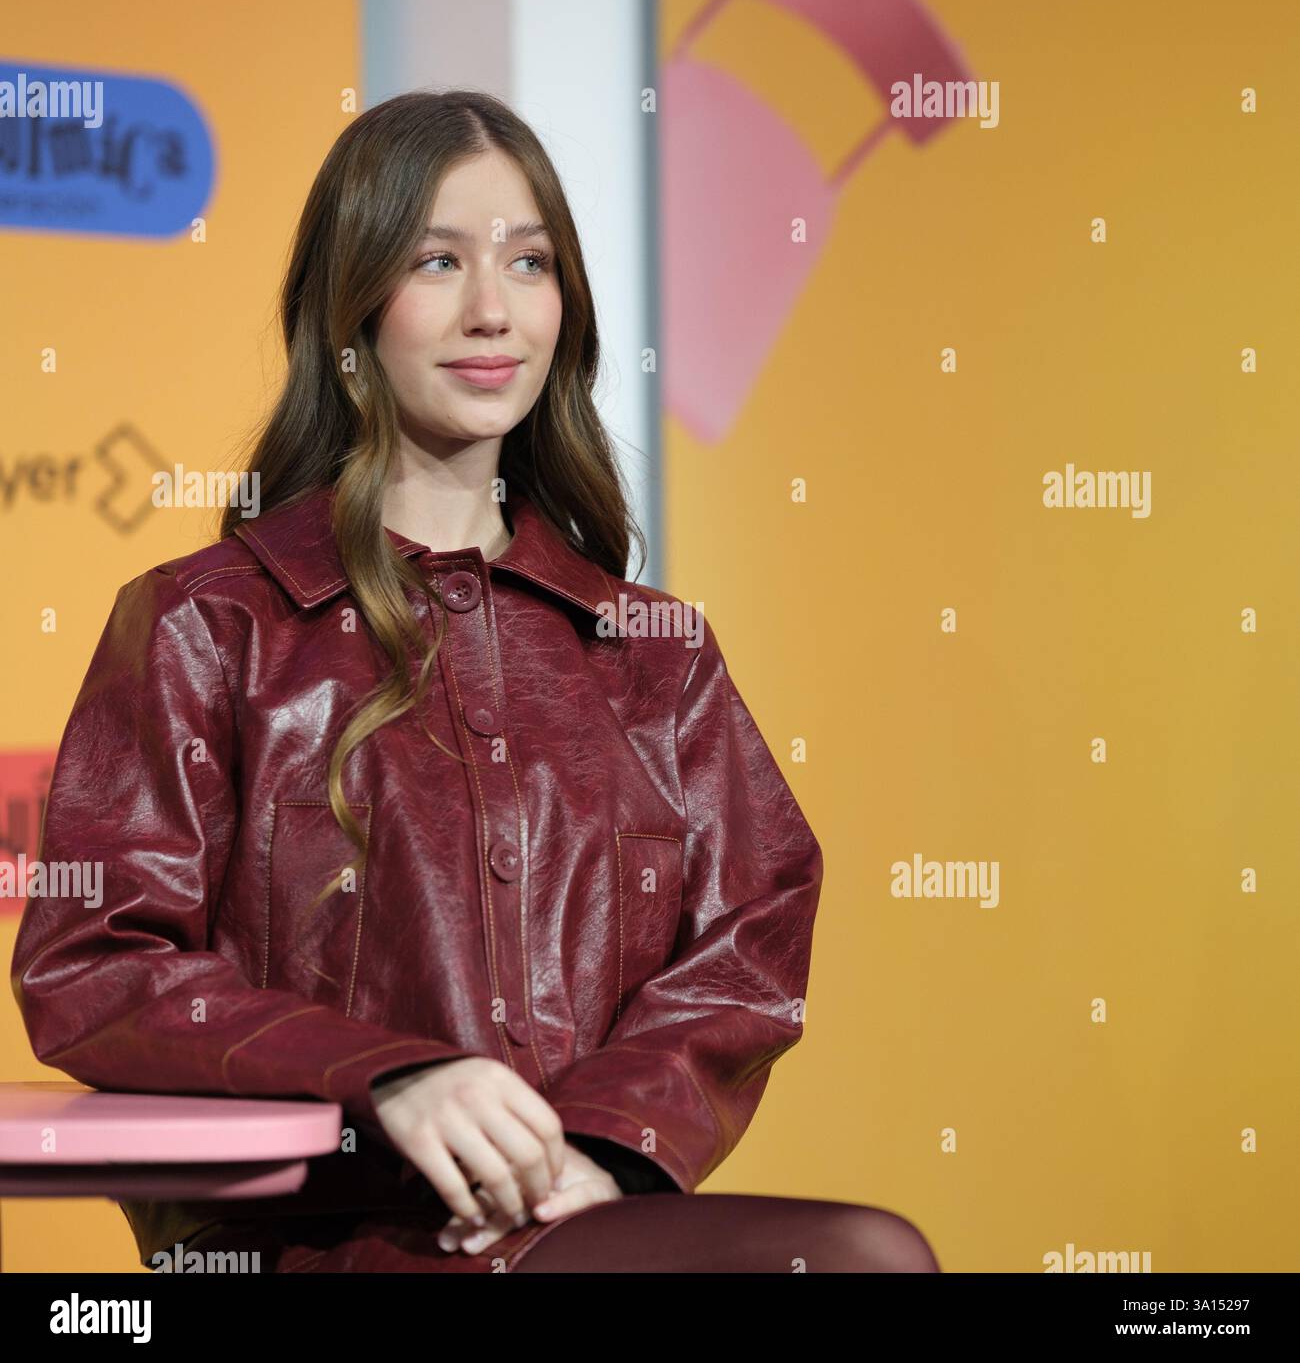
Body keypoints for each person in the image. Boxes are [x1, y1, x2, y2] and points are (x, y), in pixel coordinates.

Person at [10, 89, 938, 1274]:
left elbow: (752, 937)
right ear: (351, 311)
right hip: (323, 1242)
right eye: (437, 259)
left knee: (860, 1260)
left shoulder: (651, 649)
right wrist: (389, 1077)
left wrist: (598, 1145)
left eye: (531, 261)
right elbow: (94, 961)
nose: (493, 309)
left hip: (580, 1224)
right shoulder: (210, 620)